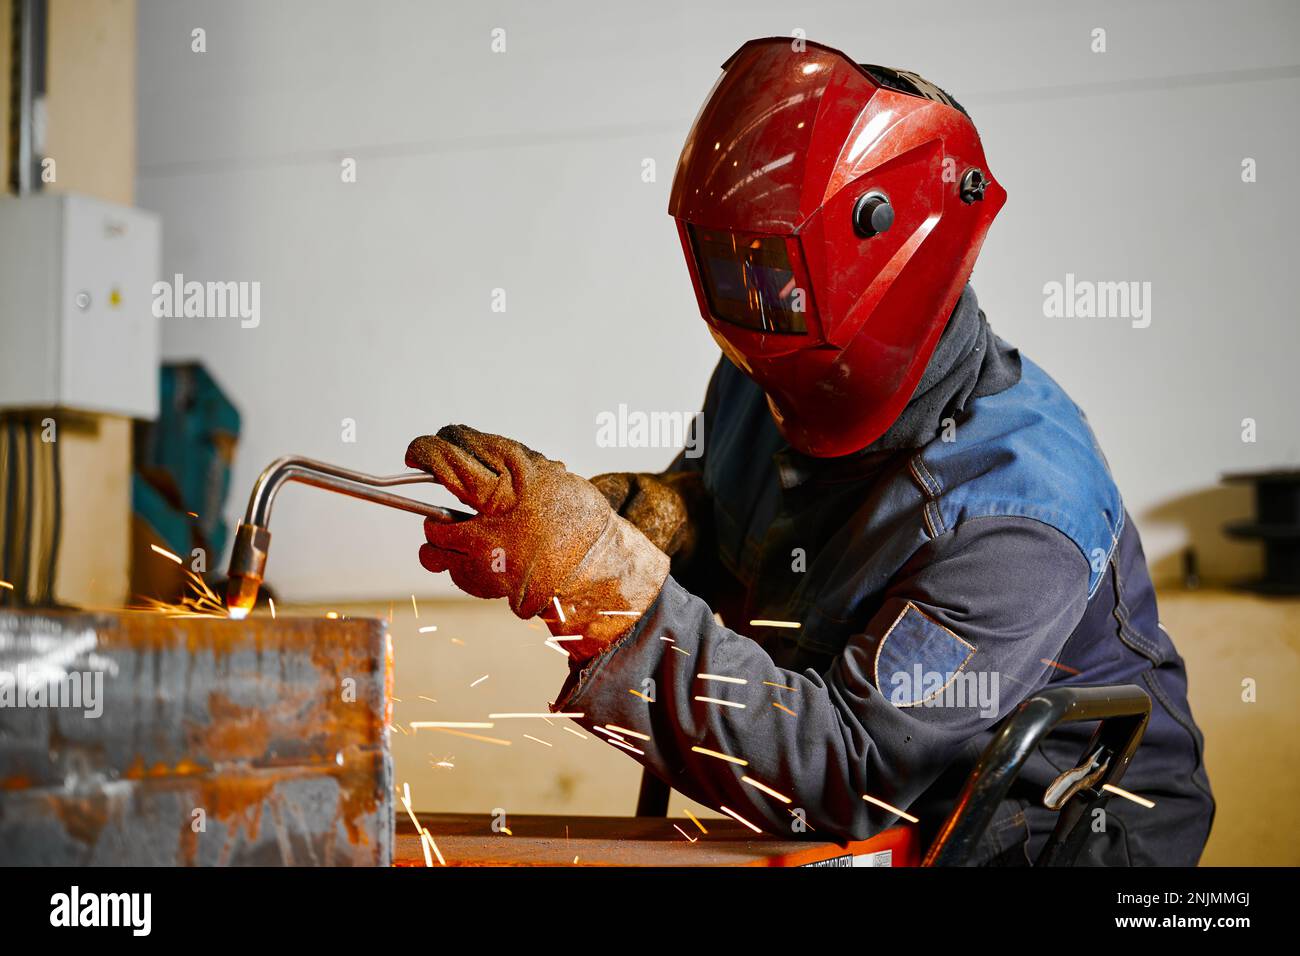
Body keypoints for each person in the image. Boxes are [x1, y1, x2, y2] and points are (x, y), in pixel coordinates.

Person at [406, 37, 1214, 865]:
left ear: (892, 258)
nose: (753, 305)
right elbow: (741, 539)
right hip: (857, 812)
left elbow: (853, 772)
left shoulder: (1018, 514)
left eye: (775, 277)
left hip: (1037, 840)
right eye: (731, 268)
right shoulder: (757, 382)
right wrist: (670, 521)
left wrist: (607, 589)